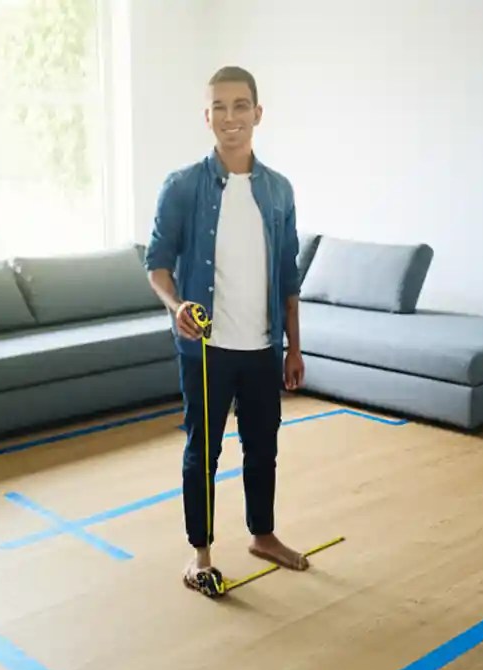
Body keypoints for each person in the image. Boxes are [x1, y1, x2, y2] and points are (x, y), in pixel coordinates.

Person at [144, 65, 308, 591]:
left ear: (258, 114)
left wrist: (293, 348)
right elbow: (156, 263)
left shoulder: (279, 191)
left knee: (264, 448)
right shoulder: (183, 187)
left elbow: (287, 275)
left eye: (241, 106)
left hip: (262, 348)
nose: (230, 117)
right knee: (203, 452)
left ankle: (263, 534)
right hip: (208, 351)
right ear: (207, 116)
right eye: (220, 107)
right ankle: (201, 555)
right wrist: (176, 307)